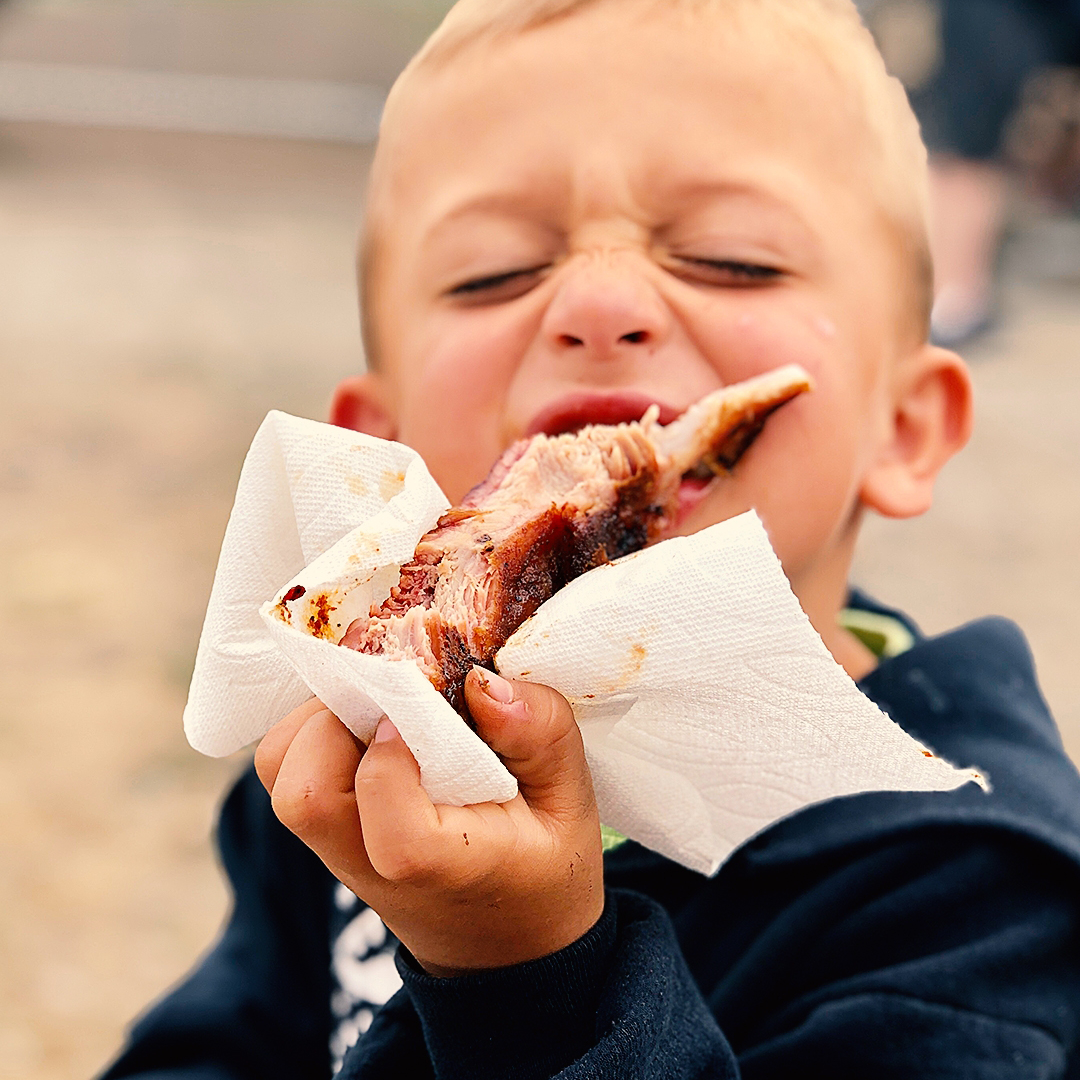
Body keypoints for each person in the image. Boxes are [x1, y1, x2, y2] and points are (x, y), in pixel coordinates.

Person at [100, 1, 1080, 1077]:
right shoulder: (342, 764)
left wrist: (522, 978)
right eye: (492, 274)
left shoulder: (973, 897)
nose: (600, 301)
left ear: (904, 429)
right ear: (377, 452)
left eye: (731, 259)